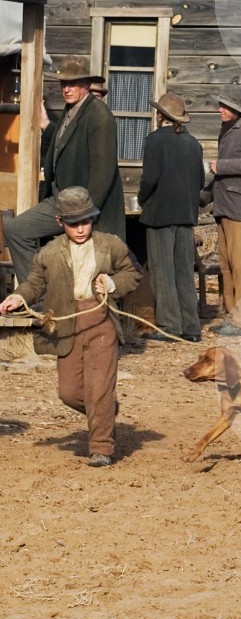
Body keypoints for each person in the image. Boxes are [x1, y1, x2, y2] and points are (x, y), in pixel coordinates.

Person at [0, 187, 141, 466]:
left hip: (101, 321)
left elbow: (132, 273)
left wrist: (113, 284)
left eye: (85, 222)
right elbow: (35, 283)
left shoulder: (109, 245)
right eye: (73, 223)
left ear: (93, 219)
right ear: (60, 222)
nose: (80, 229)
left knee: (99, 386)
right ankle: (105, 411)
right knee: (70, 392)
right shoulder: (49, 252)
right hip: (66, 324)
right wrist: (18, 296)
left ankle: (101, 447)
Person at [5, 57, 125, 283]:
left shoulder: (99, 115)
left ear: (86, 85)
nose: (67, 88)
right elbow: (67, 144)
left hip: (79, 205)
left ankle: (42, 296)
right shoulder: (71, 110)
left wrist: (83, 215)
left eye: (73, 83)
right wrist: (45, 126)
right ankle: (39, 295)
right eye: (63, 84)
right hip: (61, 198)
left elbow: (104, 171)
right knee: (16, 230)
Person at [138, 92, 206, 342]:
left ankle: (169, 326)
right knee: (184, 272)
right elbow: (200, 180)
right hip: (186, 215)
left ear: (161, 116)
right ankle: (191, 326)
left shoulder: (155, 141)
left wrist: (142, 199)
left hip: (160, 214)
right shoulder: (193, 144)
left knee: (163, 271)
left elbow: (149, 180)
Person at [201, 87, 241, 337]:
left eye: (225, 106)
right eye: (221, 105)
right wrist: (203, 196)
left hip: (240, 208)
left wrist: (222, 166)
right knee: (226, 265)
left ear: (237, 109)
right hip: (224, 206)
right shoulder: (227, 130)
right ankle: (231, 316)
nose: (220, 110)